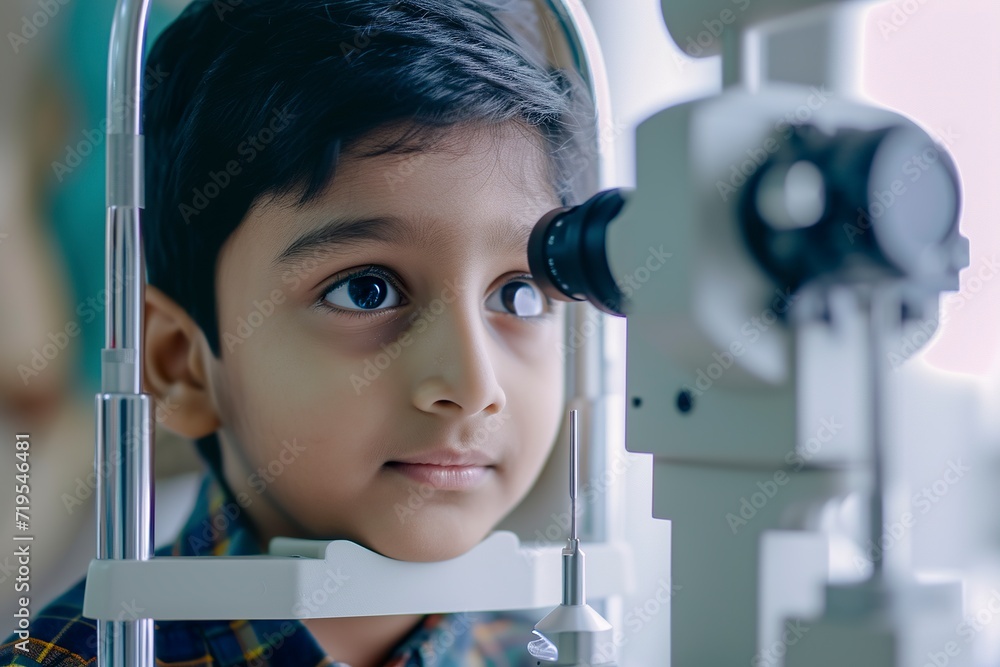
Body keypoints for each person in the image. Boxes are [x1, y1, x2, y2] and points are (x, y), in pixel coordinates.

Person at [0, 0, 593, 664]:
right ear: (179, 363)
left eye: (517, 293)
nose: (475, 386)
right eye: (366, 290)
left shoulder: (537, 651)